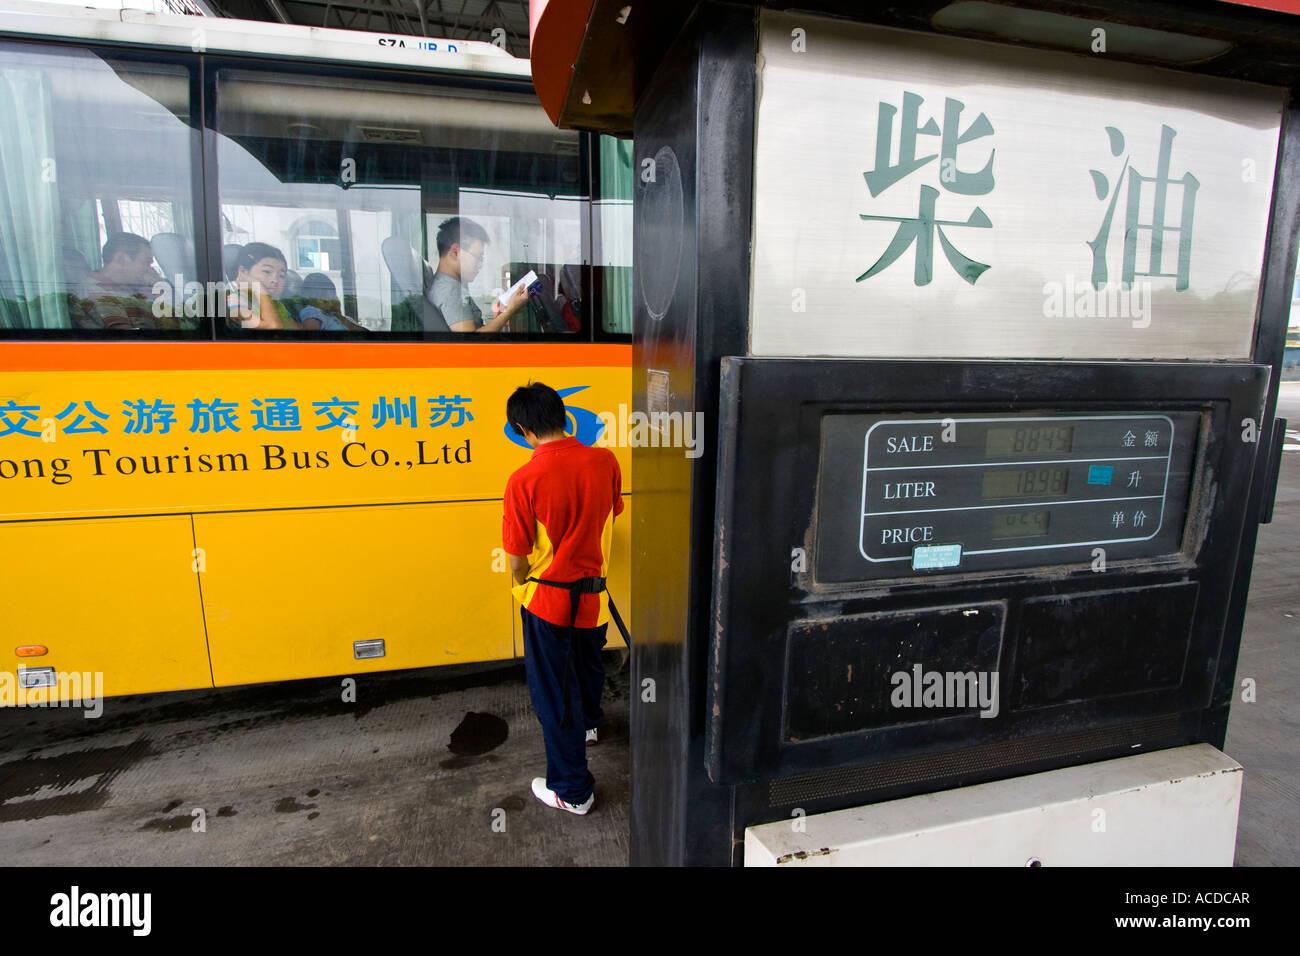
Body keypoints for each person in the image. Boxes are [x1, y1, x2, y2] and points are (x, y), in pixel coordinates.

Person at [502, 382, 623, 815]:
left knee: (554, 695)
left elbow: (516, 556)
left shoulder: (524, 479)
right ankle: (590, 726)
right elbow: (611, 514)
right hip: (594, 598)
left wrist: (520, 586)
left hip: (549, 603)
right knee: (589, 668)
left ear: (523, 429)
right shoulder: (605, 460)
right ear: (562, 415)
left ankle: (573, 791)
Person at [430, 216, 530, 333]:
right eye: (478, 257)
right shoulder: (450, 290)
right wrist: (510, 310)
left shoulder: (443, 284)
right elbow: (472, 343)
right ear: (455, 252)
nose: (480, 264)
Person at [73, 233, 173, 330]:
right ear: (121, 259)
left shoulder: (127, 290)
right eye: (146, 263)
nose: (150, 271)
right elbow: (129, 341)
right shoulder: (95, 291)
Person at [225, 242, 300, 330]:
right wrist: (260, 289)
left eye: (281, 275)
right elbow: (273, 327)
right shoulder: (234, 302)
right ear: (243, 271)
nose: (275, 280)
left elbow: (300, 335)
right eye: (267, 271)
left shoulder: (276, 305)